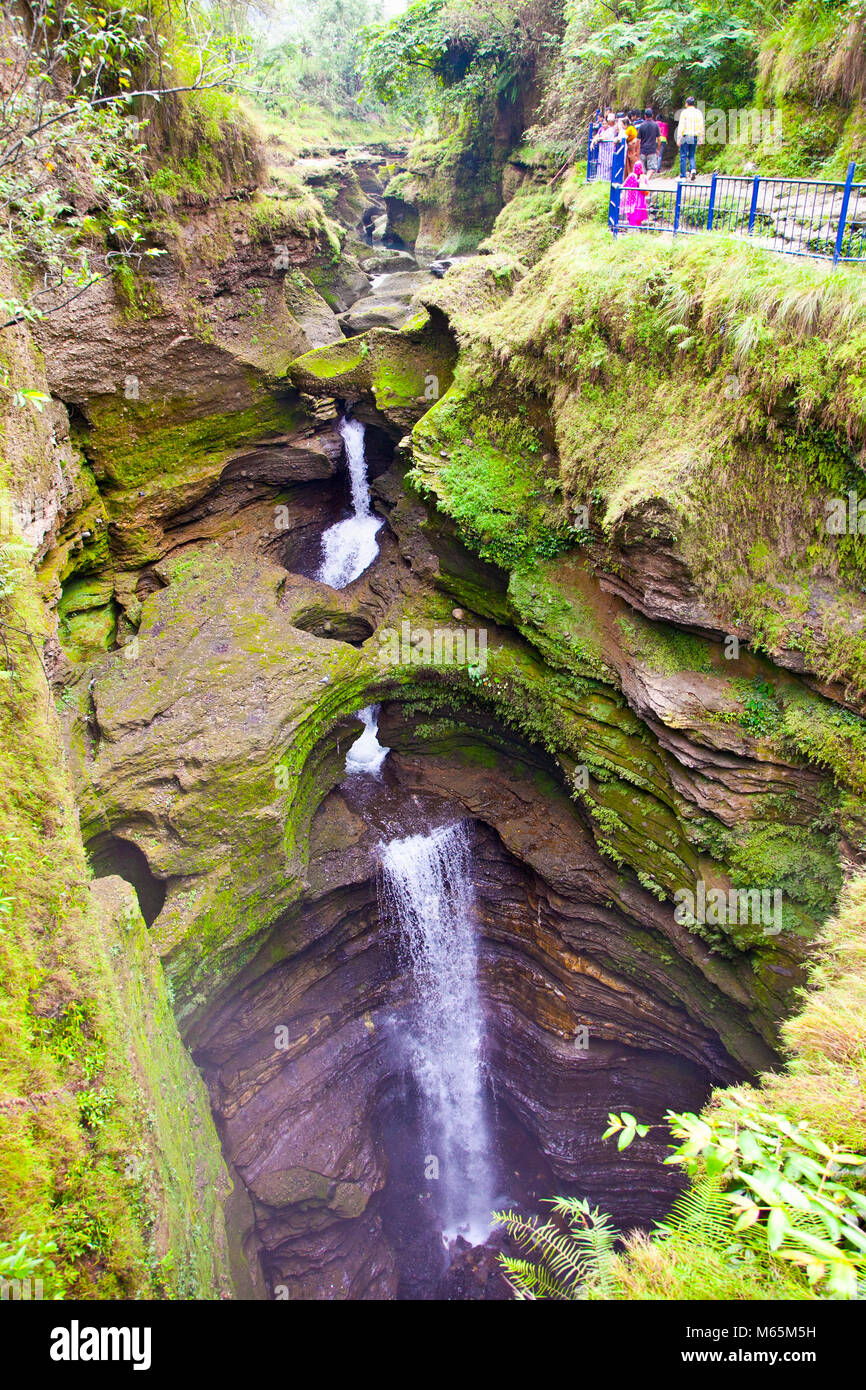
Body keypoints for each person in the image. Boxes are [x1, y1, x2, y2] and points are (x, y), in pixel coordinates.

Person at [676, 96, 704, 181]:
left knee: (683, 156)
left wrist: (679, 138)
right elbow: (701, 126)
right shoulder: (698, 112)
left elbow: (681, 126)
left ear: (687, 104)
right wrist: (701, 138)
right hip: (694, 136)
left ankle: (683, 176)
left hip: (686, 136)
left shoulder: (684, 113)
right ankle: (693, 169)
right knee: (692, 155)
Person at [591, 110, 619, 180]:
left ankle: (607, 179)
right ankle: (599, 179)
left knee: (607, 165)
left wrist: (598, 139)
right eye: (603, 124)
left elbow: (604, 138)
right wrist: (593, 142)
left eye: (605, 124)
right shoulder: (601, 129)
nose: (604, 125)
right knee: (601, 165)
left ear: (608, 124)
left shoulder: (610, 130)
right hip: (602, 151)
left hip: (608, 151)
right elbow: (597, 136)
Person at [623, 160, 649, 228]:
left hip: (631, 198)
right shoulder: (643, 177)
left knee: (631, 215)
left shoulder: (631, 176)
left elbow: (624, 186)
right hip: (641, 200)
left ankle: (631, 227)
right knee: (639, 216)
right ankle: (638, 228)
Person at [637, 107, 661, 178]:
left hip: (643, 150)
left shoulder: (641, 126)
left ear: (645, 116)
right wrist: (658, 149)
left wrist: (638, 151)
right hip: (652, 150)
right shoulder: (655, 125)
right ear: (652, 115)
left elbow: (638, 140)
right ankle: (646, 180)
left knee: (642, 170)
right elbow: (659, 139)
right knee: (652, 168)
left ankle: (643, 182)